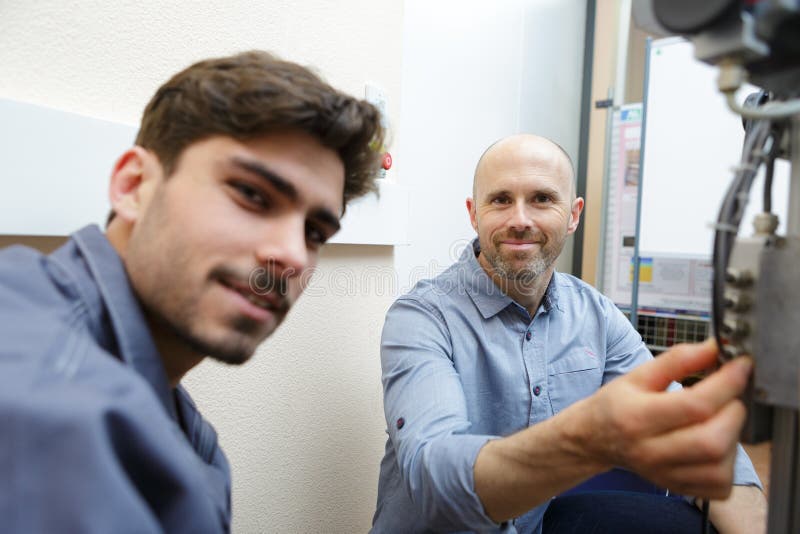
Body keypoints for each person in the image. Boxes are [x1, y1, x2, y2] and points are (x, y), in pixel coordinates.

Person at [0, 51, 383, 533]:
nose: (290, 256)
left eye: (315, 233)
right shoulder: (48, 412)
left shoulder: (152, 397)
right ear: (133, 185)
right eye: (252, 194)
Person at [371, 134, 767, 533]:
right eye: (501, 199)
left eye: (542, 198)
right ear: (474, 214)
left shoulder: (595, 315)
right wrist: (585, 441)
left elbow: (686, 430)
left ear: (574, 214)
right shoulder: (421, 318)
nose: (520, 219)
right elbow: (435, 475)